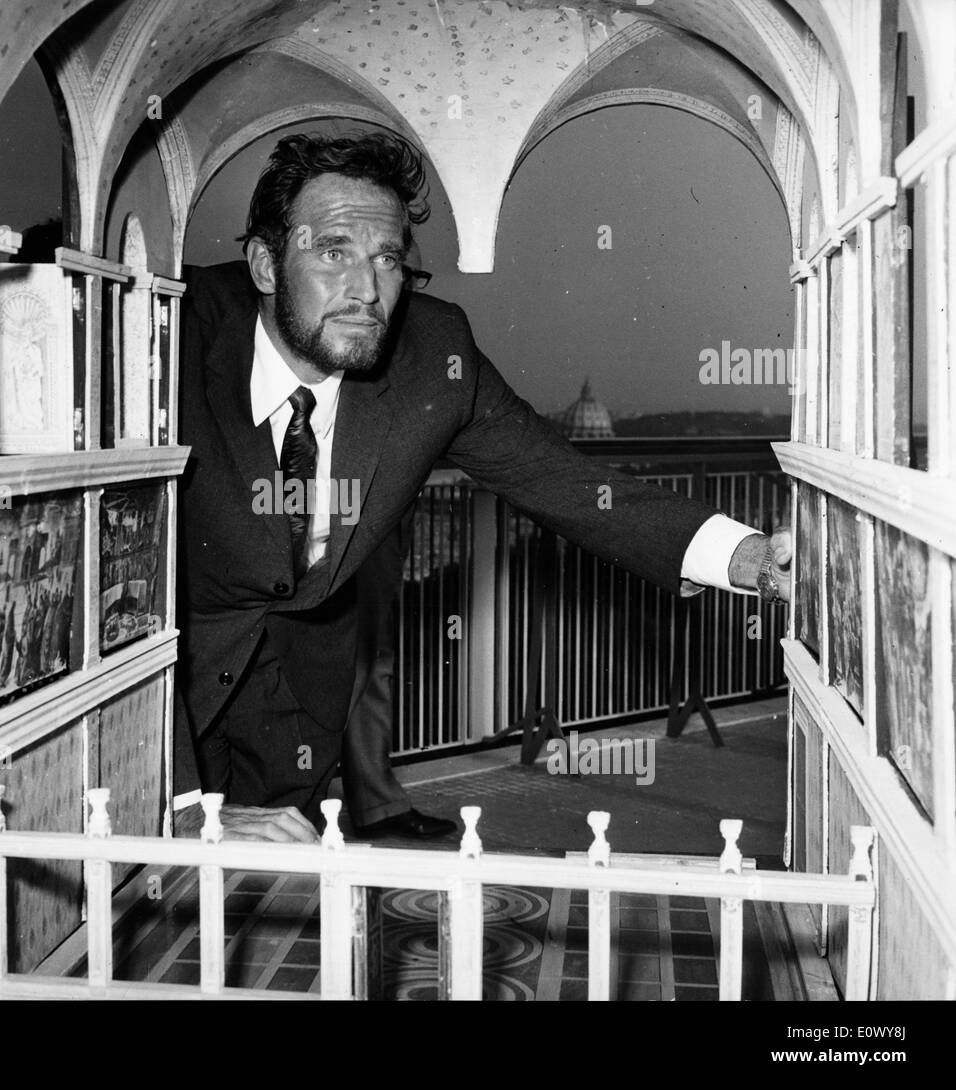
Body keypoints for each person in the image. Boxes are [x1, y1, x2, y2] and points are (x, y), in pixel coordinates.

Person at [173, 131, 792, 844]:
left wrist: (748, 560)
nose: (367, 291)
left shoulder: (435, 355)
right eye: (334, 251)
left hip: (297, 706)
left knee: (245, 920)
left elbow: (567, 482)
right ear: (264, 263)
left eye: (387, 260)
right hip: (157, 691)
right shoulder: (169, 331)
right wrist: (184, 806)